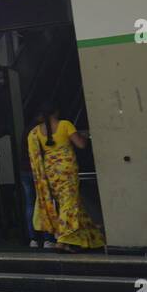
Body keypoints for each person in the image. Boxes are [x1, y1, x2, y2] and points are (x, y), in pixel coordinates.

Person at [26, 104, 105, 252]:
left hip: (50, 172)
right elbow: (81, 145)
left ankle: (90, 240)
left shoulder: (35, 132)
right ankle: (62, 240)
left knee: (69, 203)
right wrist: (84, 137)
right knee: (69, 203)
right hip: (67, 170)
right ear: (56, 112)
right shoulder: (65, 124)